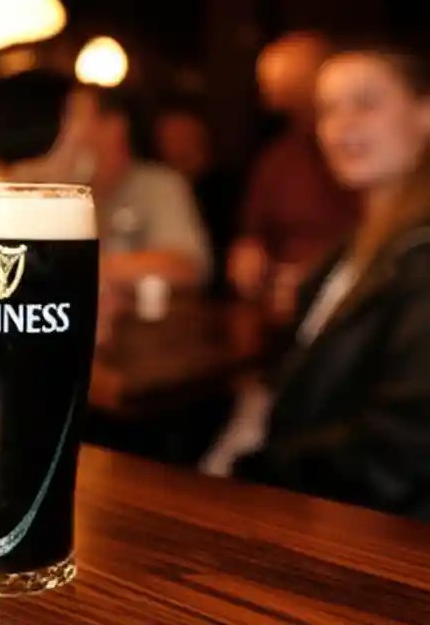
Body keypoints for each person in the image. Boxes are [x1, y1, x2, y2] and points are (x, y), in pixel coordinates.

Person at [216, 45, 430, 518]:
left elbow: (405, 445)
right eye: (328, 109)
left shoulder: (421, 253)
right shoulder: (358, 243)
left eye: (366, 103)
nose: (342, 124)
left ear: (425, 113)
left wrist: (255, 473)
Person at [229, 32, 359, 315]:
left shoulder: (364, 153)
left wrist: (318, 277)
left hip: (352, 302)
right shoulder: (278, 157)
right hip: (283, 305)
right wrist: (250, 257)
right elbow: (254, 235)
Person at [88, 88, 212, 292]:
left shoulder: (161, 185)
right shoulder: (60, 192)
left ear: (116, 128)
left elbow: (189, 267)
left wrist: (84, 269)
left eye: (76, 120)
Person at [153, 102, 241, 289]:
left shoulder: (228, 189)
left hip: (221, 293)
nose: (176, 144)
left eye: (184, 136)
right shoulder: (159, 188)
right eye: (170, 137)